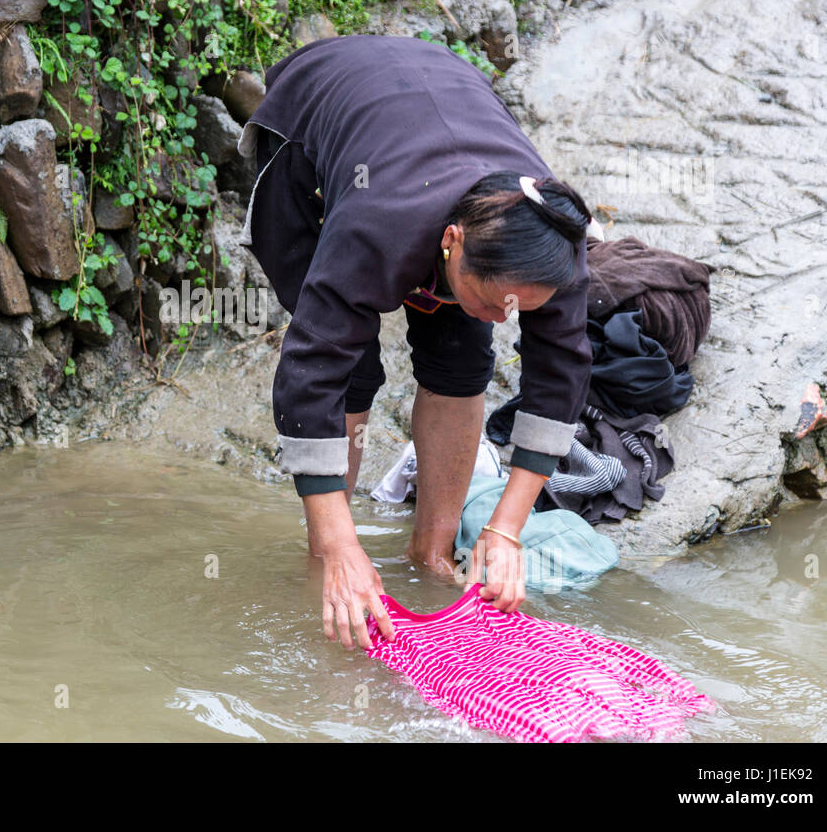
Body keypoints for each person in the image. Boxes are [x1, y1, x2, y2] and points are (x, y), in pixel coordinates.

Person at [235, 34, 594, 650]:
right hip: (315, 120)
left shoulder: (552, 246)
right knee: (350, 369)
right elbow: (309, 372)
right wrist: (342, 544)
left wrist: (505, 528)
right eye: (491, 300)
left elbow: (560, 378)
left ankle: (430, 551)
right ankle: (330, 556)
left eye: (519, 308)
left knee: (461, 354)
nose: (506, 317)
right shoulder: (380, 224)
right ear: (450, 240)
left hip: (442, 97)